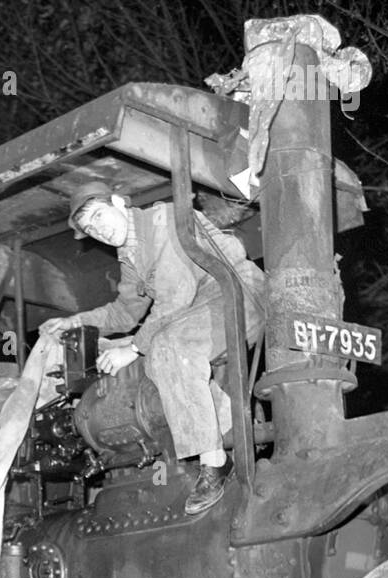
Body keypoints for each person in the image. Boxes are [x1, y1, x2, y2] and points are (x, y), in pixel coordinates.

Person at [40, 178, 266, 514]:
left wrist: (131, 349)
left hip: (235, 295)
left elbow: (175, 298)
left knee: (166, 348)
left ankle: (215, 461)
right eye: (90, 228)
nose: (98, 230)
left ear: (119, 202)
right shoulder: (130, 256)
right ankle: (229, 425)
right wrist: (75, 322)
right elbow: (124, 311)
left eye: (99, 217)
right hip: (199, 307)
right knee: (156, 350)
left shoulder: (162, 220)